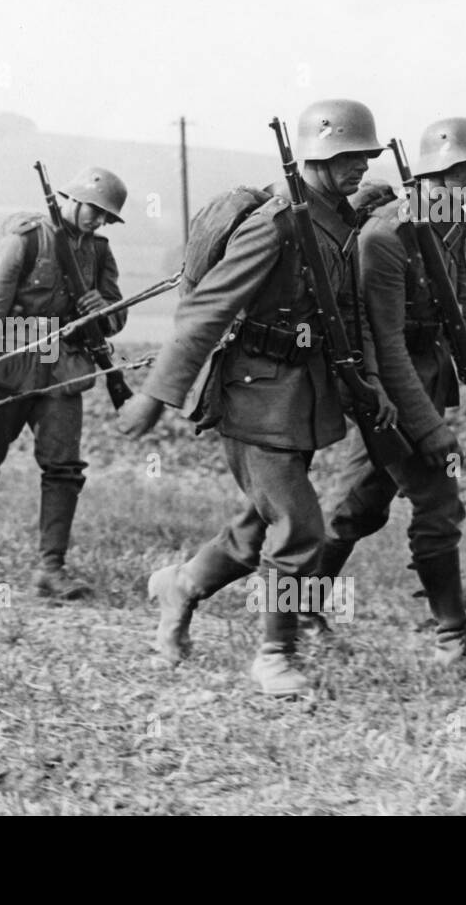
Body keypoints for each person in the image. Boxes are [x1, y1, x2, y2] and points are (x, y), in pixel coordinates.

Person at [118, 99, 396, 697]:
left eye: (364, 158)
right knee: (300, 527)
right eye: (348, 157)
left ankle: (181, 587)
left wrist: (368, 383)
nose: (359, 169)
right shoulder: (276, 223)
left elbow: (350, 315)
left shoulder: (340, 224)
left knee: (253, 533)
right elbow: (205, 311)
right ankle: (275, 655)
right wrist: (154, 396)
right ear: (318, 156)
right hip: (254, 397)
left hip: (304, 398)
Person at [311, 117, 466, 666]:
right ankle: (453, 637)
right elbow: (384, 340)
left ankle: (301, 609)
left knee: (361, 506)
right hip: (387, 386)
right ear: (434, 171)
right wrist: (430, 429)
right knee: (440, 502)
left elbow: (460, 296)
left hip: (426, 373)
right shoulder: (387, 235)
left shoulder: (449, 223)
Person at [0, 167, 128, 595]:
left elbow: (116, 315)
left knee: (63, 467)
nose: (99, 221)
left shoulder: (99, 252)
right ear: (72, 200)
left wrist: (104, 310)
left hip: (62, 370)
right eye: (95, 211)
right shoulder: (25, 240)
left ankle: (50, 569)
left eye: (107, 217)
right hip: (9, 363)